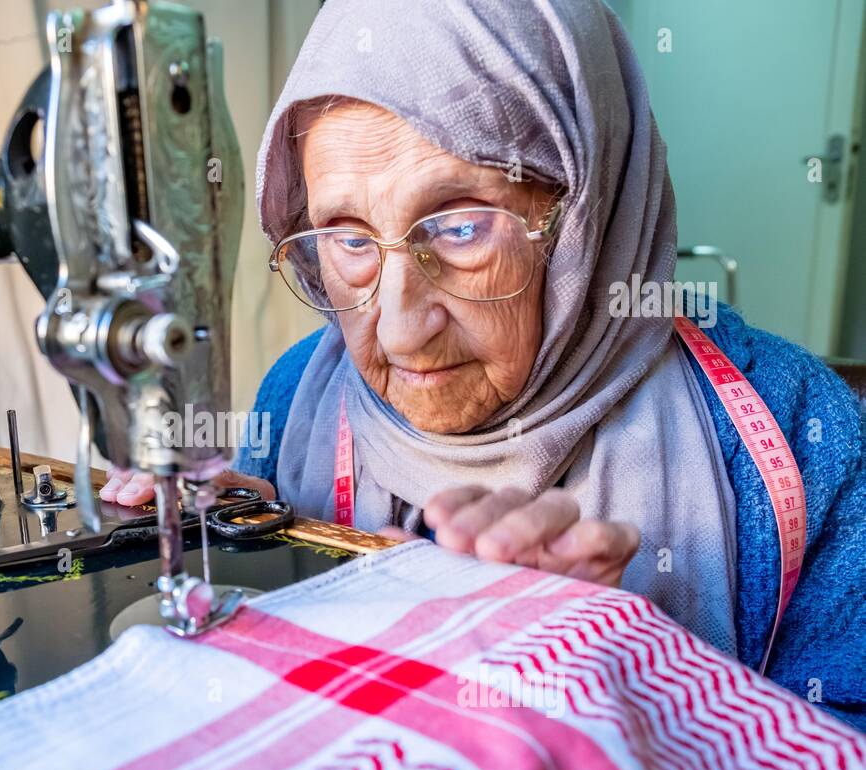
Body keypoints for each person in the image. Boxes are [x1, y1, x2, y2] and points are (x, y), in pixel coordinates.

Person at [100, 0, 866, 729]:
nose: (400, 334)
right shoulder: (298, 393)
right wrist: (257, 549)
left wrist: (621, 678)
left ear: (589, 210)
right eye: (350, 238)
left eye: (461, 227)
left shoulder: (801, 441)